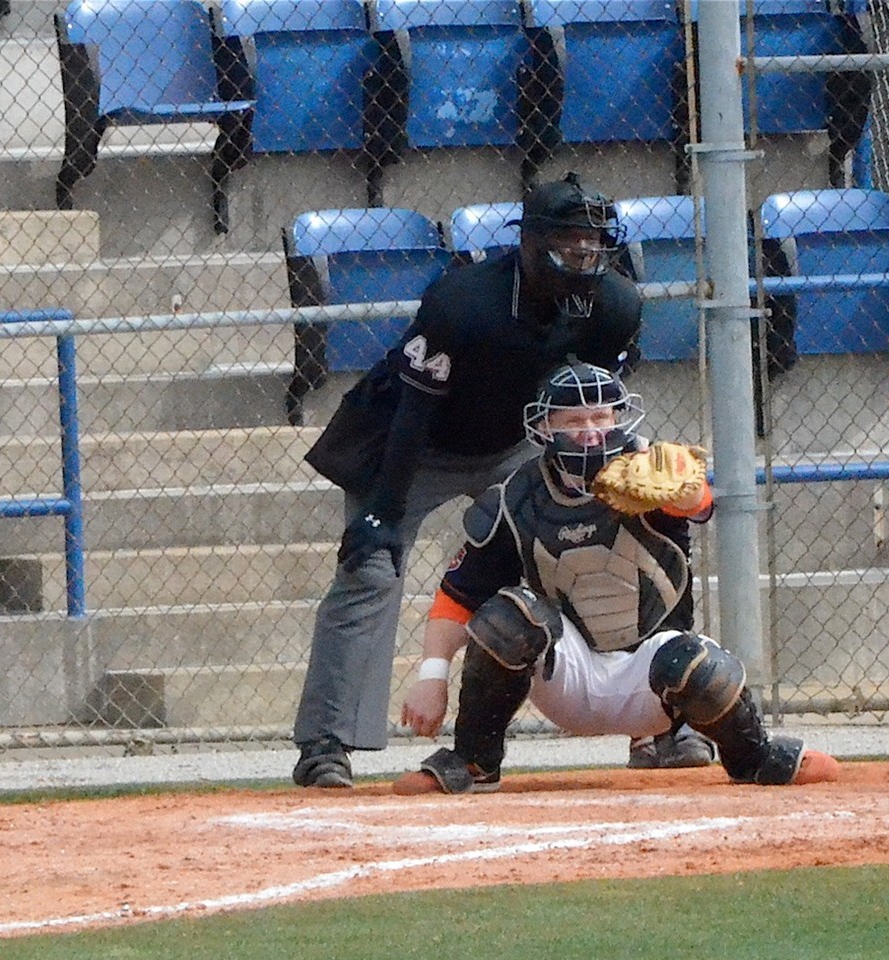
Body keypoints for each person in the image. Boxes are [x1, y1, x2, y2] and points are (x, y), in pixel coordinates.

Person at [292, 172, 709, 788]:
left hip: (521, 439)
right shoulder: (463, 300)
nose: (584, 256)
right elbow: (414, 410)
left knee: (623, 538)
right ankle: (327, 743)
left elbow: (596, 403)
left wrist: (630, 460)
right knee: (369, 567)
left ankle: (662, 723)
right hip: (413, 441)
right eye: (570, 243)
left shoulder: (616, 303)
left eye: (594, 244)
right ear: (531, 244)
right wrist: (381, 511)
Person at [390, 362, 841, 794]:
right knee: (508, 615)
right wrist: (432, 675)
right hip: (569, 673)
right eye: (574, 420)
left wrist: (683, 488)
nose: (591, 431)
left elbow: (697, 505)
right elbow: (458, 595)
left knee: (700, 663)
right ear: (545, 428)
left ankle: (755, 758)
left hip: (650, 671)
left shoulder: (648, 469)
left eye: (601, 416)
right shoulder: (516, 497)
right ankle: (473, 762)